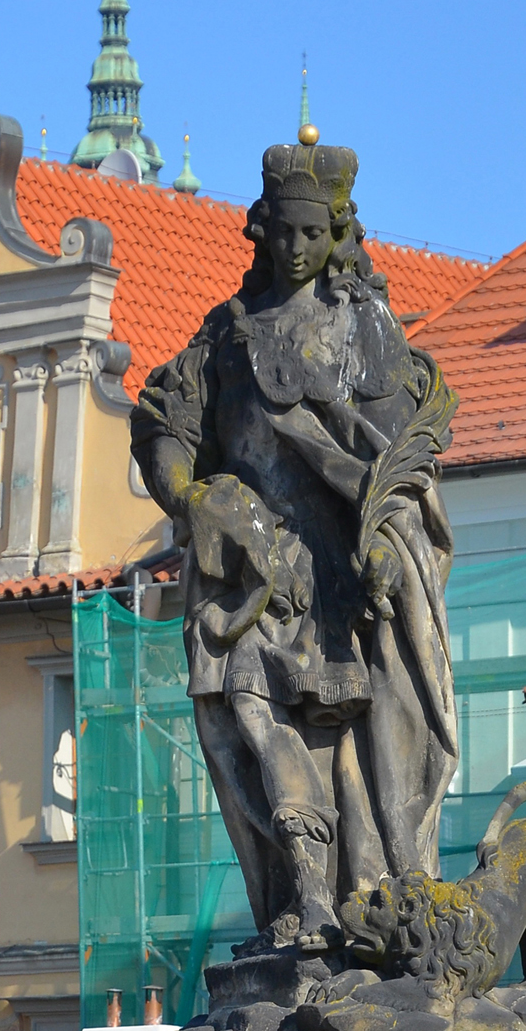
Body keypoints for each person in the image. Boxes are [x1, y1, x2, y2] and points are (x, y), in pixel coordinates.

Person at [131, 141, 459, 950]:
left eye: (314, 232)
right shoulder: (228, 335)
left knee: (351, 745)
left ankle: (366, 904)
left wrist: (386, 532)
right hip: (250, 564)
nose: (297, 247)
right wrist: (192, 494)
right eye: (283, 231)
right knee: (251, 713)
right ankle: (304, 897)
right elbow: (166, 425)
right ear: (263, 231)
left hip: (343, 567)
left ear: (337, 231)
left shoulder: (365, 329)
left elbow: (392, 457)